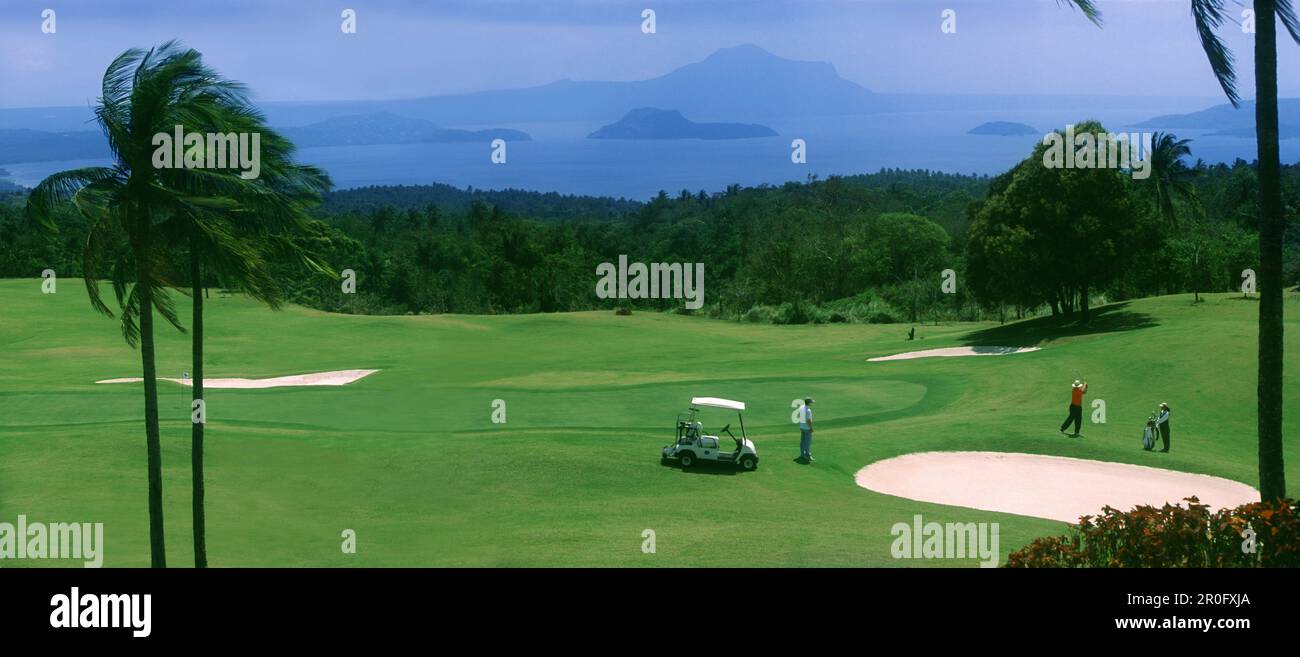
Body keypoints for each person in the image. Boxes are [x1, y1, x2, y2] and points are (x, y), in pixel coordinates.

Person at [798, 397, 815, 462]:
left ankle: (802, 454)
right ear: (809, 403)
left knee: (802, 441)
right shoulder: (808, 410)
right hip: (807, 428)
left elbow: (799, 416)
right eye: (811, 402)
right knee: (807, 442)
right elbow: (808, 420)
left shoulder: (801, 407)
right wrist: (811, 428)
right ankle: (808, 455)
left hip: (801, 427)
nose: (812, 403)